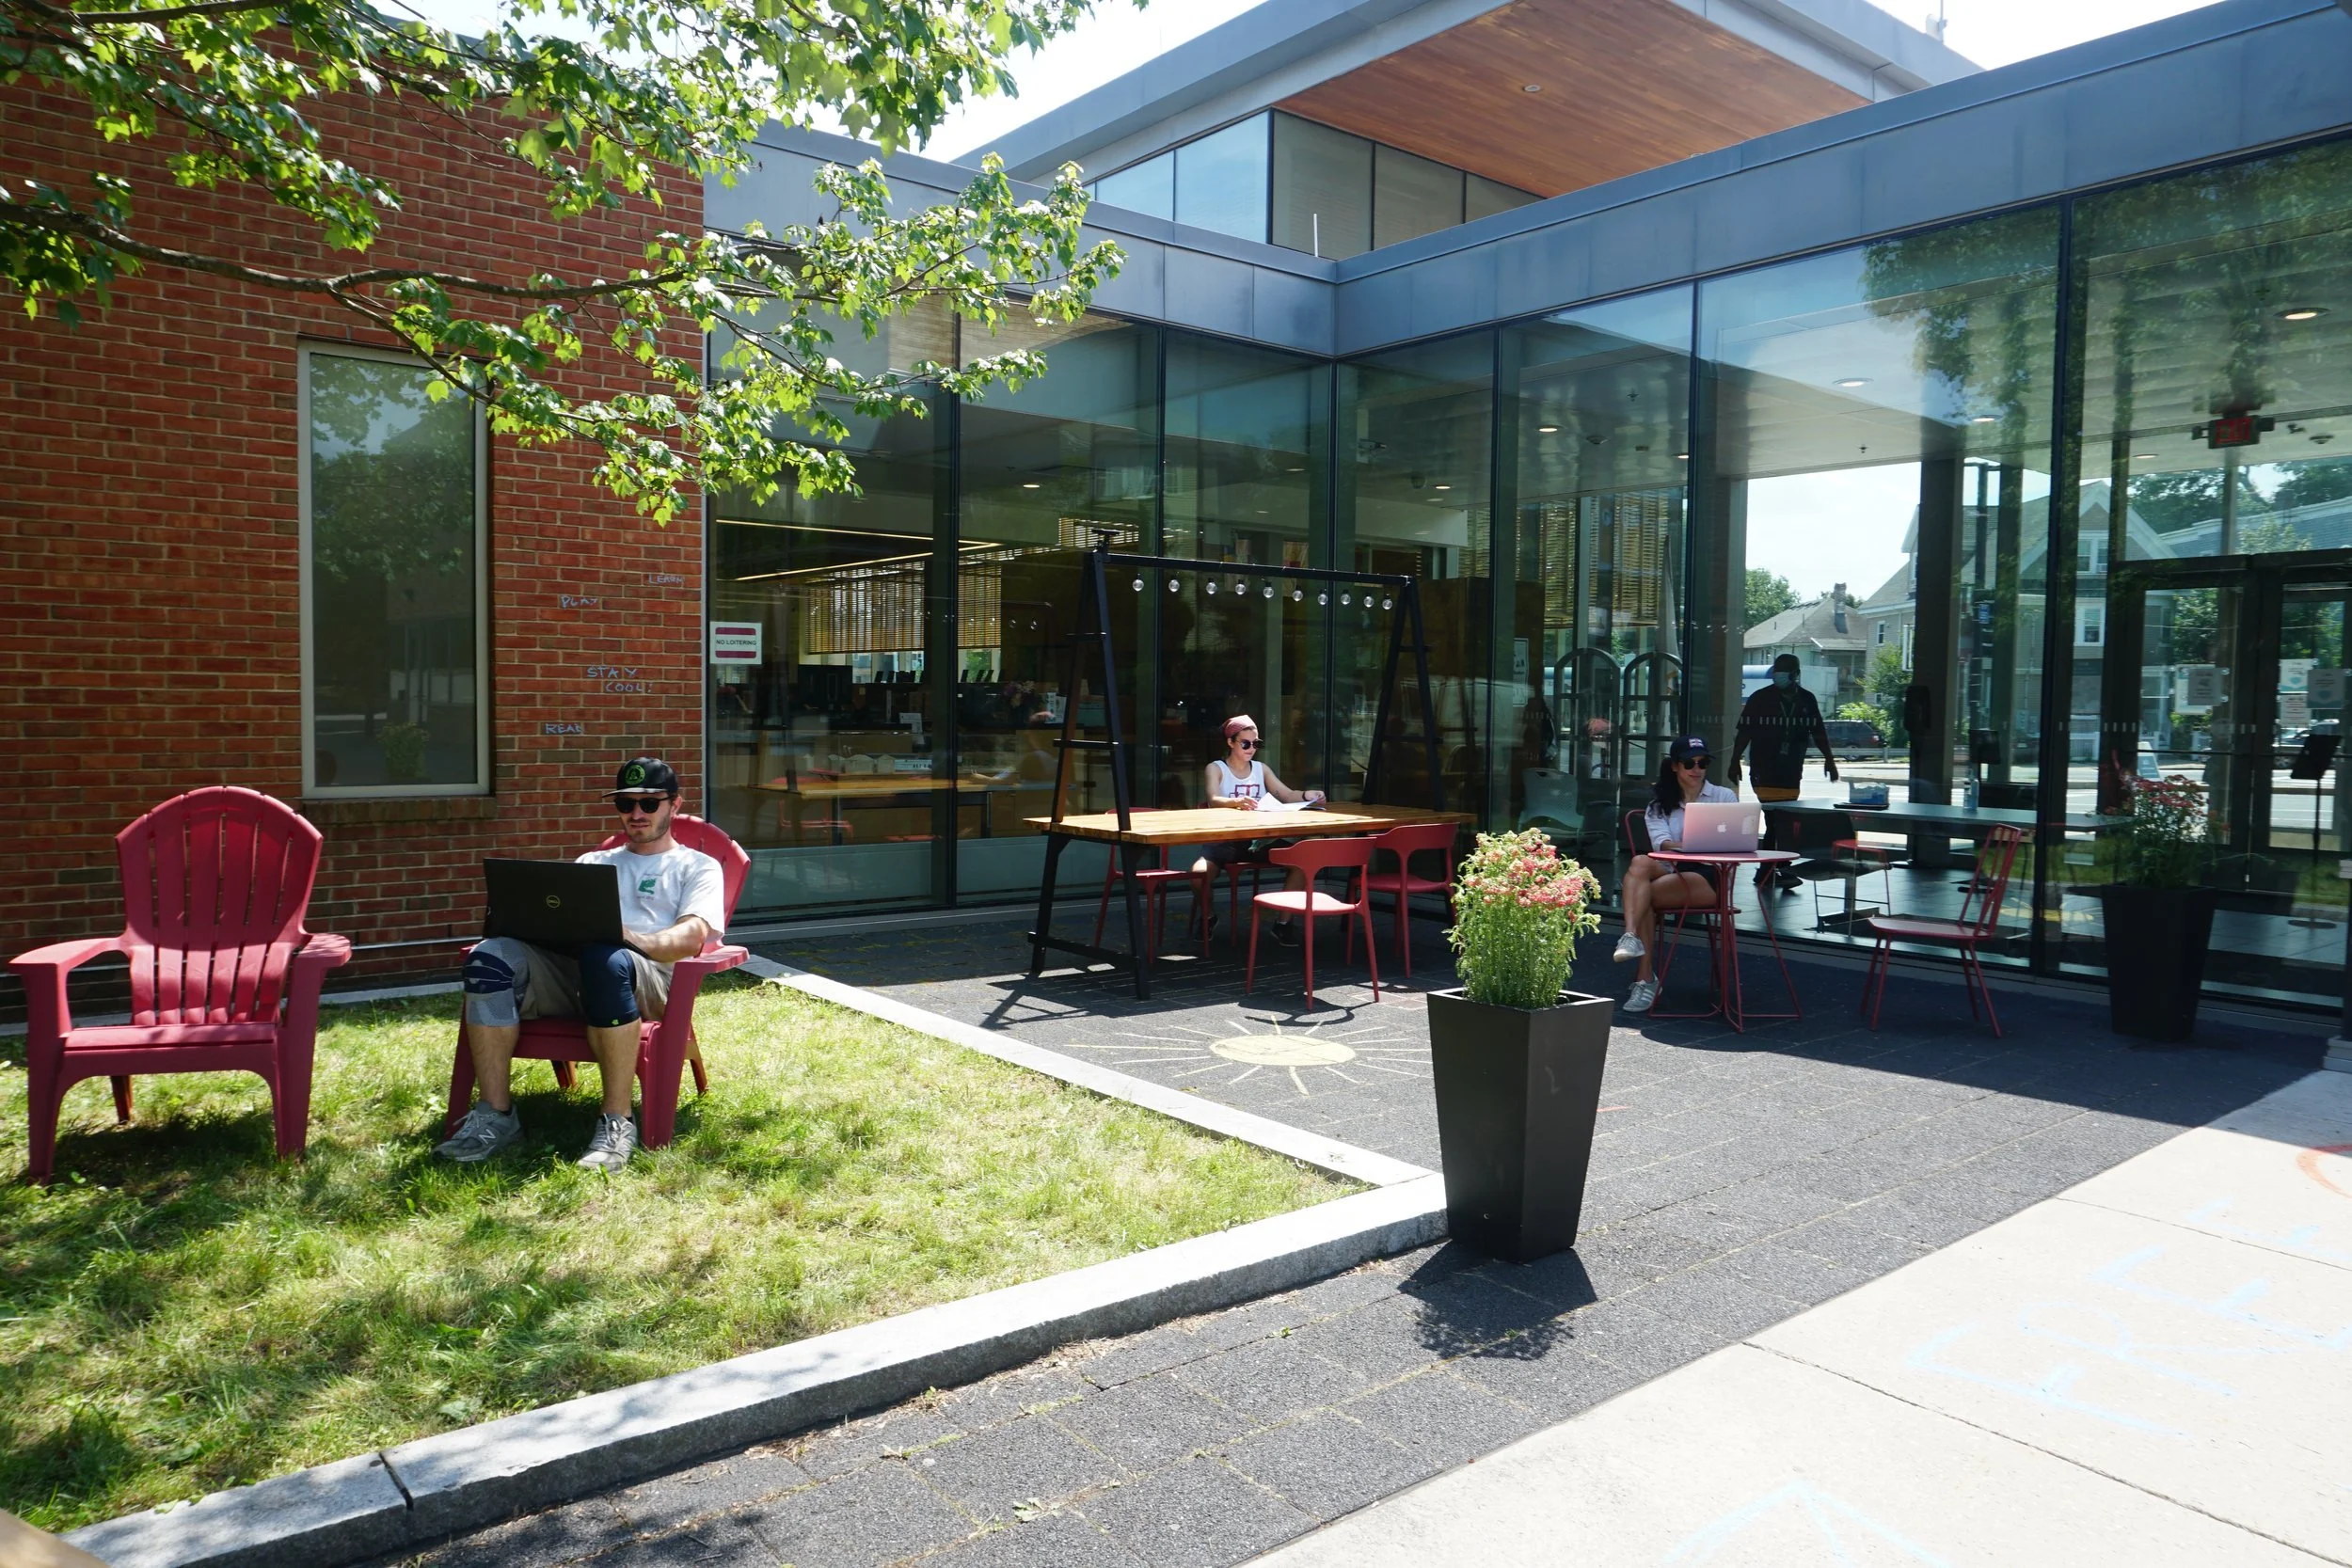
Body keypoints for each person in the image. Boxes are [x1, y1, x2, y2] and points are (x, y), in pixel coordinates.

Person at [438, 756, 727, 1171]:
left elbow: (689, 936)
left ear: (675, 805)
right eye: (626, 804)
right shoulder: (594, 863)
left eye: (649, 804)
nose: (636, 814)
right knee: (490, 957)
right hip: (576, 975)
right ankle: (496, 1116)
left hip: (650, 982)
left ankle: (617, 1122)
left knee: (605, 958)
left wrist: (629, 937)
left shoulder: (696, 866)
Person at [1613, 736, 1738, 1014]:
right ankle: (1631, 938)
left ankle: (1645, 977)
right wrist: (1698, 841)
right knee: (1639, 862)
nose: (1697, 769)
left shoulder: (1723, 797)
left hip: (1710, 875)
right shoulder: (1660, 804)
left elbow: (1733, 840)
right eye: (1690, 763)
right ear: (1674, 767)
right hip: (1673, 868)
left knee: (1640, 895)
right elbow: (1661, 845)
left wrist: (1688, 843)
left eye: (1703, 763)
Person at [1193, 715, 1324, 946]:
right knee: (1199, 874)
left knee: (1303, 860)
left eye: (1256, 744)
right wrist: (1236, 802)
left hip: (1259, 840)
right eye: (1246, 743)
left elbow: (1285, 794)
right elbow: (1213, 799)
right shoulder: (1216, 768)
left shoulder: (1261, 769)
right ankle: (1208, 917)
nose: (1251, 749)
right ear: (1231, 742)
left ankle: (1283, 923)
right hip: (1225, 839)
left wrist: (1307, 795)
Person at [1728, 653, 1838, 890]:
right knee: (1776, 820)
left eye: (1784, 670)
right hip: (1764, 770)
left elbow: (1818, 731)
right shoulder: (1761, 698)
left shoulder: (1806, 700)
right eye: (1776, 670)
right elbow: (1744, 733)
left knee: (1783, 822)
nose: (1779, 675)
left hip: (1790, 772)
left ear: (1796, 674)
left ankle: (1773, 870)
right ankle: (1774, 870)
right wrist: (1734, 760)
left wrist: (1829, 759)